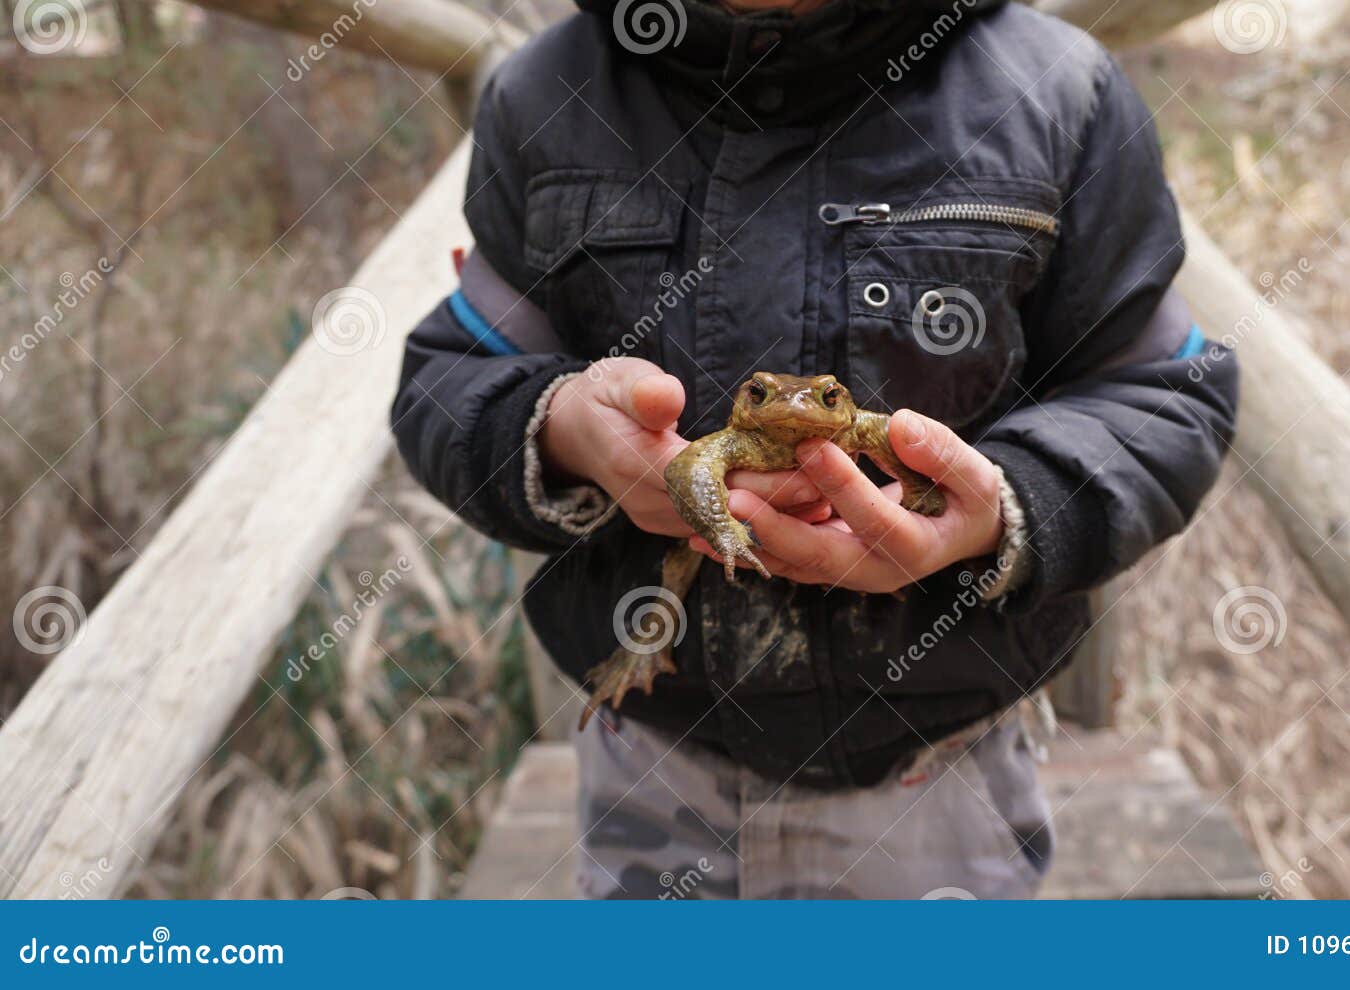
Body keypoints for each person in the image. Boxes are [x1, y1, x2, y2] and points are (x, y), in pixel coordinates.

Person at [391, 0, 1238, 898]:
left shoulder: (1061, 90)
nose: (800, 411)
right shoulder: (543, 93)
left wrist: (1000, 506)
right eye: (768, 402)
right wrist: (559, 428)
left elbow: (1162, 392)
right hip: (655, 743)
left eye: (825, 407)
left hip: (939, 755)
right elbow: (456, 377)